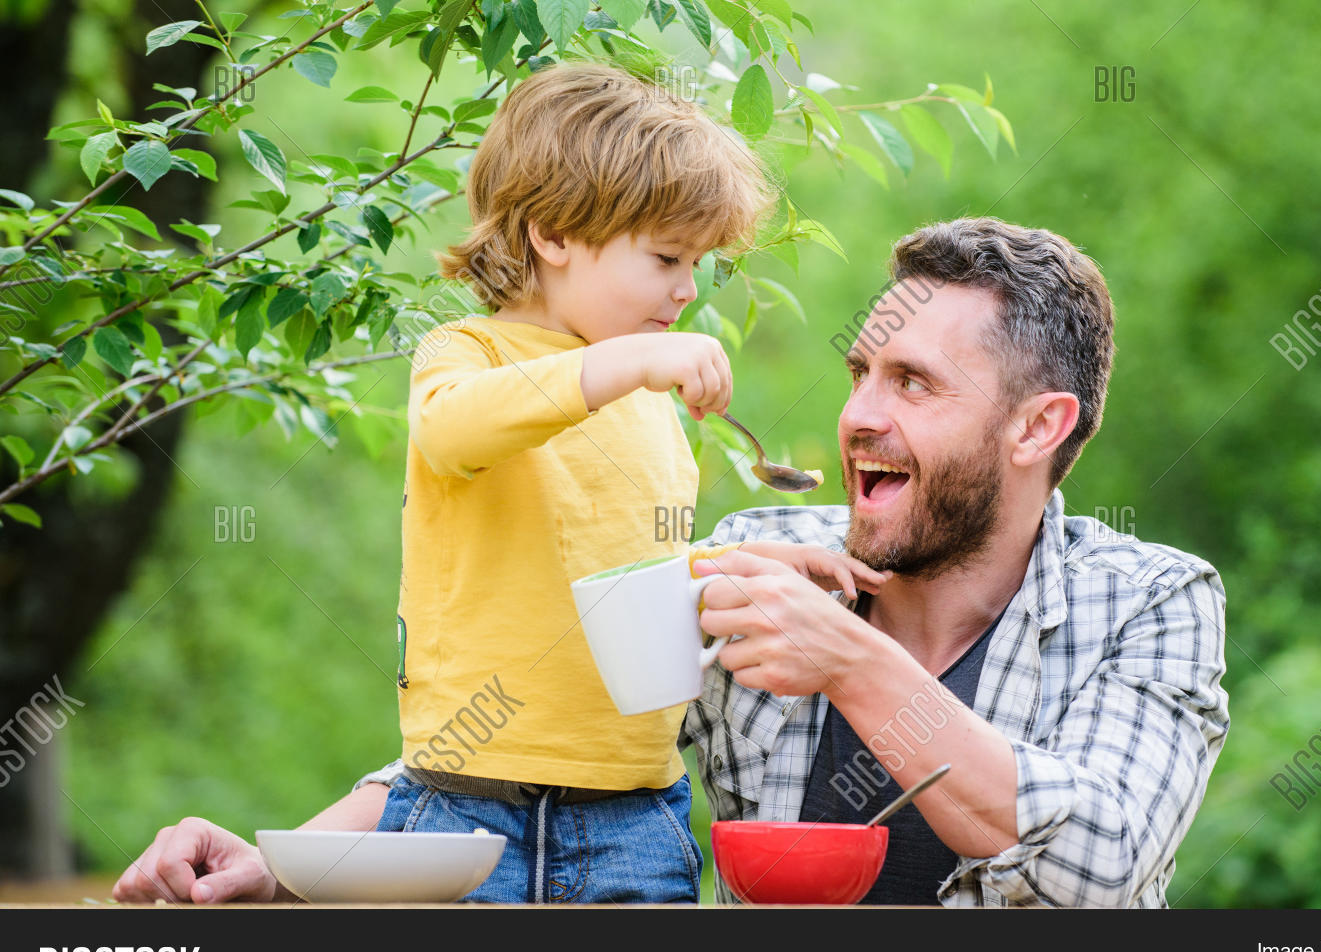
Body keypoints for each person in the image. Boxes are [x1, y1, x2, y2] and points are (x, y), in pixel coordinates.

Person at [114, 216, 1228, 908]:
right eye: (860, 373)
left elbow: (1098, 872)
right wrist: (289, 866)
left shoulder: (1149, 600)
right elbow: (528, 747)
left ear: (1038, 429)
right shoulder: (755, 566)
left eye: (915, 385)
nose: (858, 417)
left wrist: (853, 666)